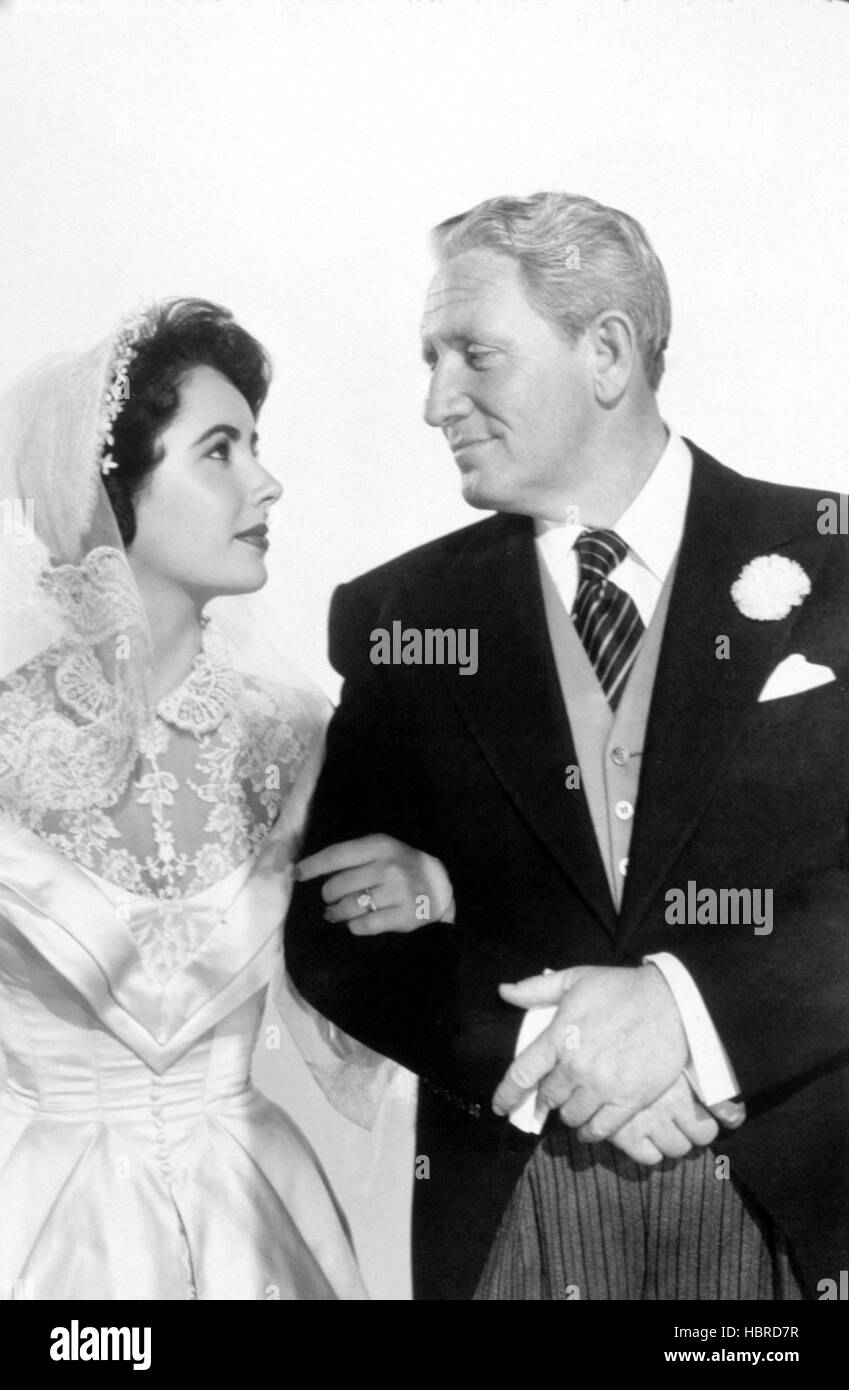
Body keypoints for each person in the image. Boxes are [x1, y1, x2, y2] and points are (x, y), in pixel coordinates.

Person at [286, 192, 849, 1300]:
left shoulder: (838, 560)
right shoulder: (400, 611)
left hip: (800, 1208)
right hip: (518, 1210)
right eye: (430, 359)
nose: (436, 399)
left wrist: (691, 1020)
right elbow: (331, 936)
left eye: (473, 355)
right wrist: (555, 1059)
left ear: (607, 351)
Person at [0, 298, 451, 1300]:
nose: (266, 480)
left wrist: (427, 893)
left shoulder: (300, 736)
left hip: (260, 1225)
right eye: (220, 450)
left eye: (256, 444)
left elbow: (371, 1006)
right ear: (111, 492)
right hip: (37, 1231)